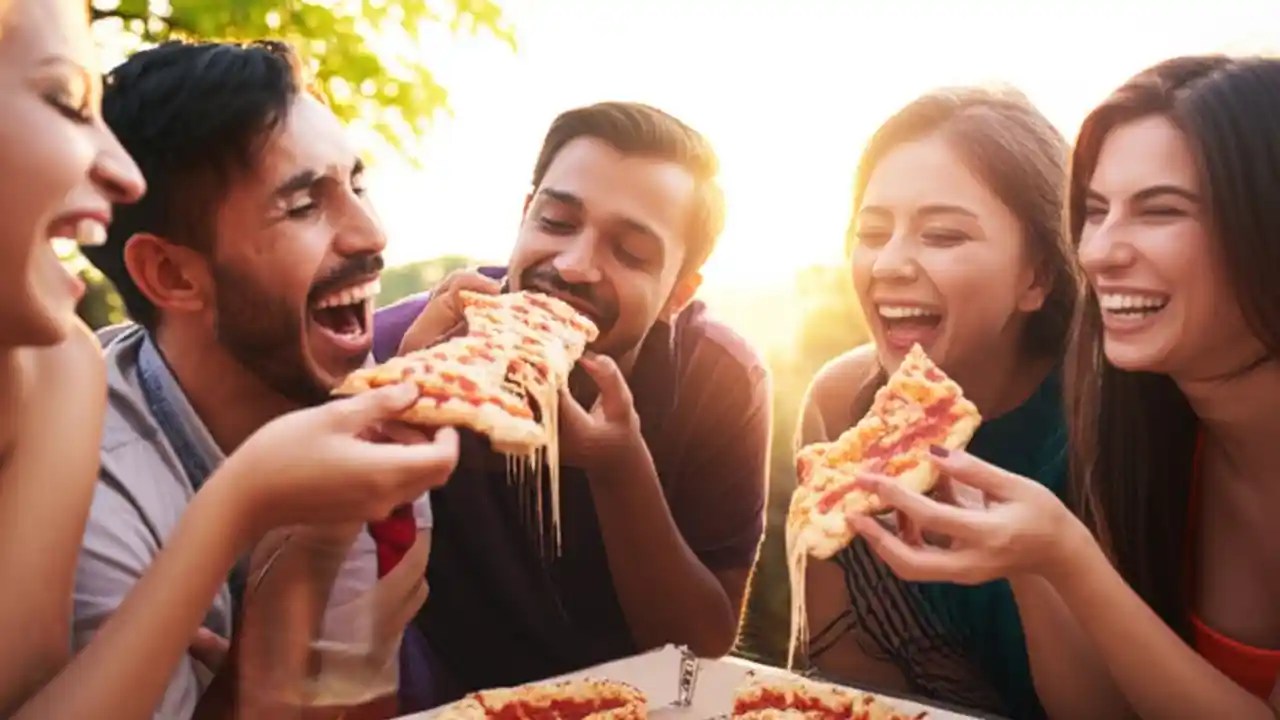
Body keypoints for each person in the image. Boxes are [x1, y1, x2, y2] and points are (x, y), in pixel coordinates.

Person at [0, 3, 459, 719]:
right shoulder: (95, 494)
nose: (374, 234)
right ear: (174, 277)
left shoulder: (374, 418)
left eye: (357, 184)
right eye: (305, 204)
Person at [848, 56, 1280, 718]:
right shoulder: (1140, 423)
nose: (1100, 251)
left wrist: (1069, 555)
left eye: (1160, 211)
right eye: (1096, 211)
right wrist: (1034, 563)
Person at [374, 101, 772, 706]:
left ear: (678, 292)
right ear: (524, 215)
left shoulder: (718, 380)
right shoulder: (402, 347)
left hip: (624, 702)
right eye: (557, 222)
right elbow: (322, 608)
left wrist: (619, 470)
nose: (574, 266)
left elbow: (700, 643)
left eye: (631, 254)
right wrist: (400, 417)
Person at [793, 87, 1076, 719]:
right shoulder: (844, 409)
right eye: (871, 232)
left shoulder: (1107, 424)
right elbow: (850, 681)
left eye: (943, 235)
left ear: (1039, 276)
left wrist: (1033, 564)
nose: (889, 263)